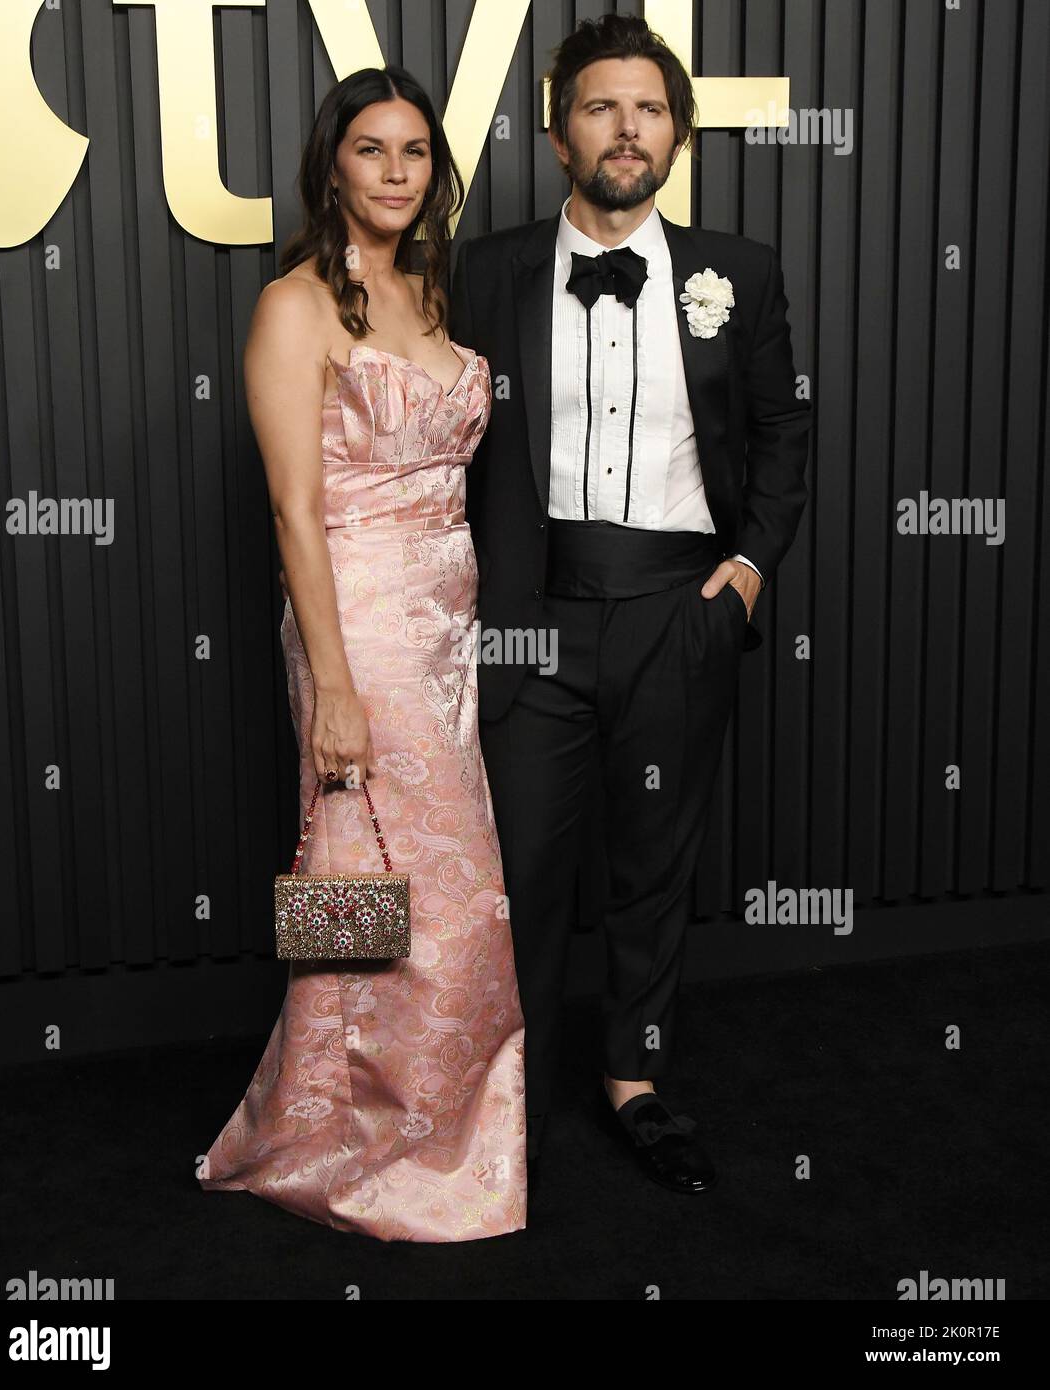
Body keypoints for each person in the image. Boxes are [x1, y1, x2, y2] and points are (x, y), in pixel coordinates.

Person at [449, 13, 811, 1193]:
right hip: (532, 612)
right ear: (558, 135)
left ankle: (634, 1082)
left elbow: (779, 431)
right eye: (601, 107)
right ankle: (514, 1100)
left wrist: (746, 573)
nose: (626, 128)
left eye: (648, 109)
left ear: (675, 136)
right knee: (525, 869)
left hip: (674, 612)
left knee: (654, 865)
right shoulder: (487, 269)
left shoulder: (736, 273)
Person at [197, 66, 526, 1242]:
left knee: (429, 882)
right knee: (381, 878)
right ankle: (361, 1135)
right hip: (362, 621)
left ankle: (420, 1123)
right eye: (373, 151)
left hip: (449, 622)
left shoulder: (430, 290)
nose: (396, 173)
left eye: (415, 153)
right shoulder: (293, 305)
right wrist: (331, 683)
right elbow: (294, 511)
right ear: (331, 165)